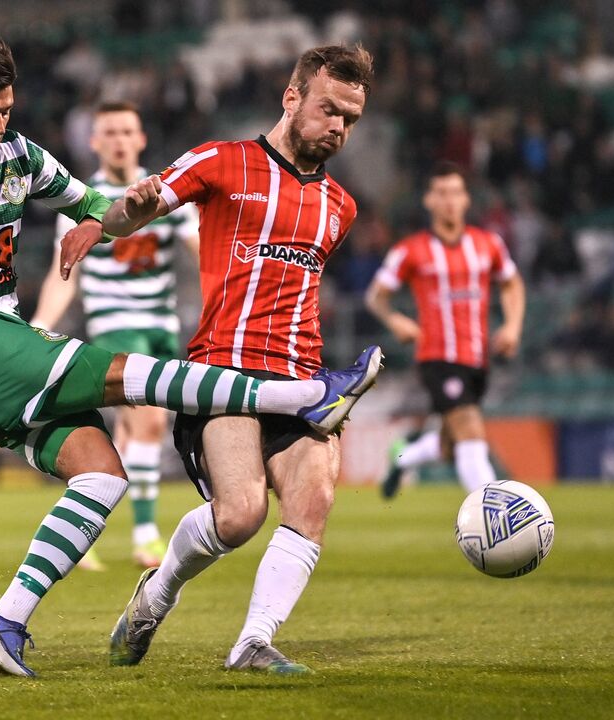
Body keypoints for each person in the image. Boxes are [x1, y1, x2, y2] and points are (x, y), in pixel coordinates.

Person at [0, 38, 379, 679]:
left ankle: (6, 619)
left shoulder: (17, 154)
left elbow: (91, 201)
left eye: (5, 109)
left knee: (104, 475)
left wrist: (101, 222)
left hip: (7, 338)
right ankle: (305, 397)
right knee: (126, 376)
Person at [98, 44, 380, 675]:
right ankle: (156, 592)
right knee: (242, 514)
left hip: (300, 378)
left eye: (351, 119)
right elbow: (128, 212)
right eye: (329, 109)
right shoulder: (222, 162)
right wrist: (128, 213)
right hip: (222, 375)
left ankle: (253, 642)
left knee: (314, 500)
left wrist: (319, 390)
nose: (338, 127)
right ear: (292, 96)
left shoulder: (341, 207)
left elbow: (298, 295)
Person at [32, 101, 200, 571]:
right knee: (146, 423)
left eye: (127, 130)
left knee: (137, 435)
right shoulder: (79, 202)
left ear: (141, 138)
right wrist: (40, 326)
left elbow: (204, 252)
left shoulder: (164, 194)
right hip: (115, 327)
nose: (120, 139)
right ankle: (146, 537)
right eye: (110, 132)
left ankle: (77, 521)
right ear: (95, 141)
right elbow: (63, 274)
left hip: (161, 327)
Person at [365, 162, 525, 499]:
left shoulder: (488, 244)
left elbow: (511, 283)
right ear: (429, 201)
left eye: (455, 192)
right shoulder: (411, 250)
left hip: (478, 358)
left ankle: (402, 457)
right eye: (441, 193)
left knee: (452, 445)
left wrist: (512, 326)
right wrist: (395, 319)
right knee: (469, 428)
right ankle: (492, 510)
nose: (449, 200)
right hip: (437, 357)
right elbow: (376, 296)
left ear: (466, 199)